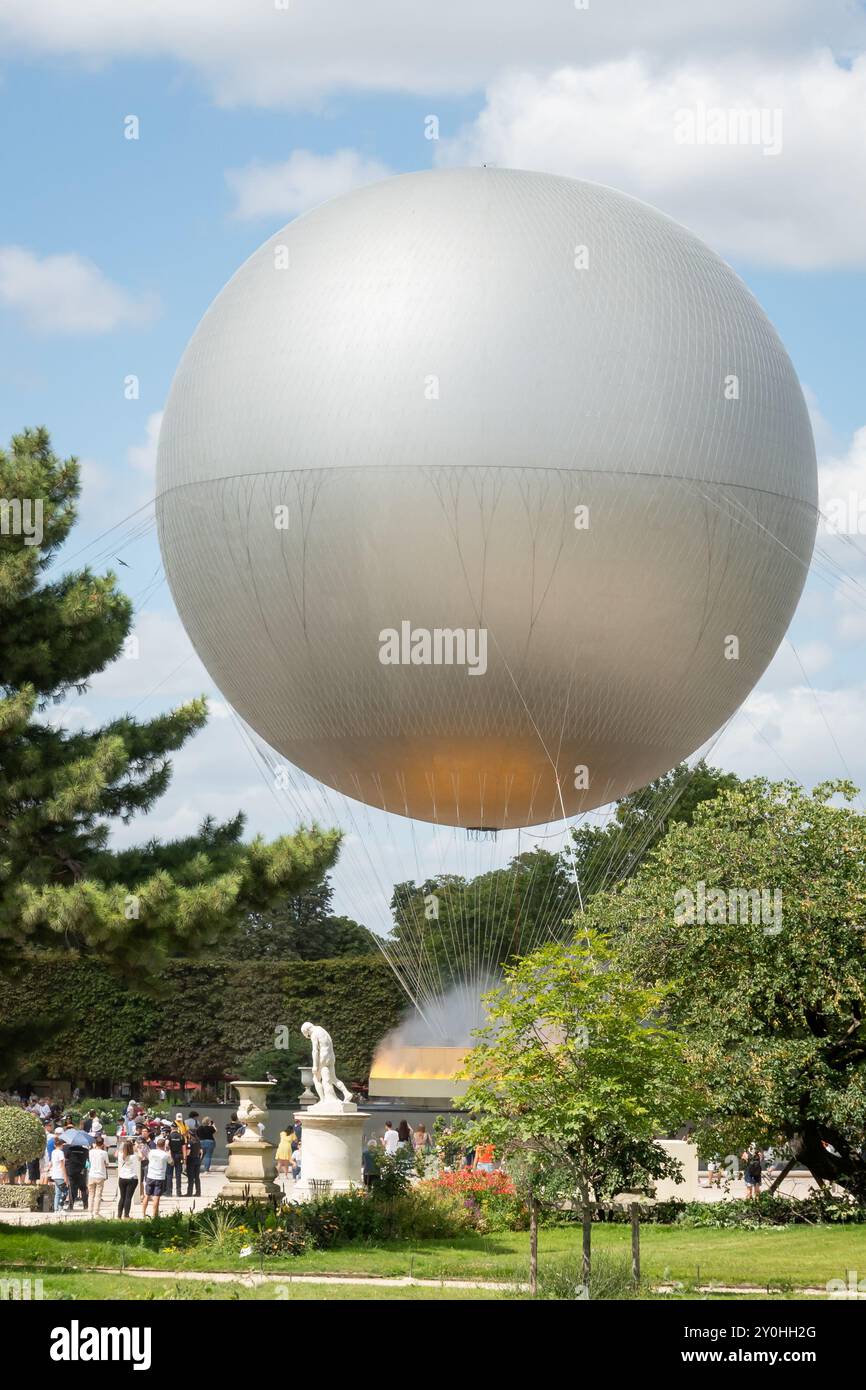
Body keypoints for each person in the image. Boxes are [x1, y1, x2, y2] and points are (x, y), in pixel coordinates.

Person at [142, 1136, 170, 1218]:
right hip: (160, 1177)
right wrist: (168, 1152)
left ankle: (143, 1214)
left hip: (150, 1176)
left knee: (147, 1195)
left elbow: (147, 1156)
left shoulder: (151, 1152)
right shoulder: (165, 1155)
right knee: (156, 1197)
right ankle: (154, 1215)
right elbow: (171, 1162)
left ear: (157, 1145)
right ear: (164, 1145)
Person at [87, 1135, 109, 1217]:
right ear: (103, 1144)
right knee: (98, 1194)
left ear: (95, 1143)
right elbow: (107, 1164)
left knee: (91, 1194)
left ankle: (89, 1212)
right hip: (100, 1175)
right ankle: (96, 1212)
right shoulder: (104, 1153)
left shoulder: (90, 1152)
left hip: (91, 1174)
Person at [117, 1141, 139, 1219]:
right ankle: (126, 1215)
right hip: (131, 1178)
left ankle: (119, 1215)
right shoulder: (133, 1156)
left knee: (122, 1197)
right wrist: (137, 1148)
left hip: (122, 1177)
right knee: (128, 1197)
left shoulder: (120, 1155)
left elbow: (118, 1151)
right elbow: (141, 1157)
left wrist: (123, 1145)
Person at [49, 1131, 68, 1213]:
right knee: (65, 1191)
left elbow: (52, 1163)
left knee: (58, 1193)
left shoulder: (53, 1152)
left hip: (54, 1174)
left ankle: (56, 1209)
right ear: (61, 1145)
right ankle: (60, 1207)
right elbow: (62, 1166)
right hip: (60, 1174)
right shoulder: (60, 1153)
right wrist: (65, 1177)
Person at [167, 1123, 185, 1197]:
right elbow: (184, 1148)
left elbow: (166, 1145)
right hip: (179, 1156)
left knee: (169, 1174)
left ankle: (169, 1192)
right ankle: (178, 1192)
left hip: (171, 1156)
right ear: (177, 1128)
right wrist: (184, 1158)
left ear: (171, 1128)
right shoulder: (181, 1136)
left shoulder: (169, 1136)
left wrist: (168, 1153)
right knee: (178, 1175)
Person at [185, 1126, 203, 1197]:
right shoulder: (198, 1141)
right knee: (197, 1177)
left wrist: (185, 1158)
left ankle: (189, 1192)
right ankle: (198, 1192)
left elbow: (188, 1152)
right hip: (197, 1160)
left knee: (190, 1177)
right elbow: (201, 1152)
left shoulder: (190, 1142)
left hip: (191, 1160)